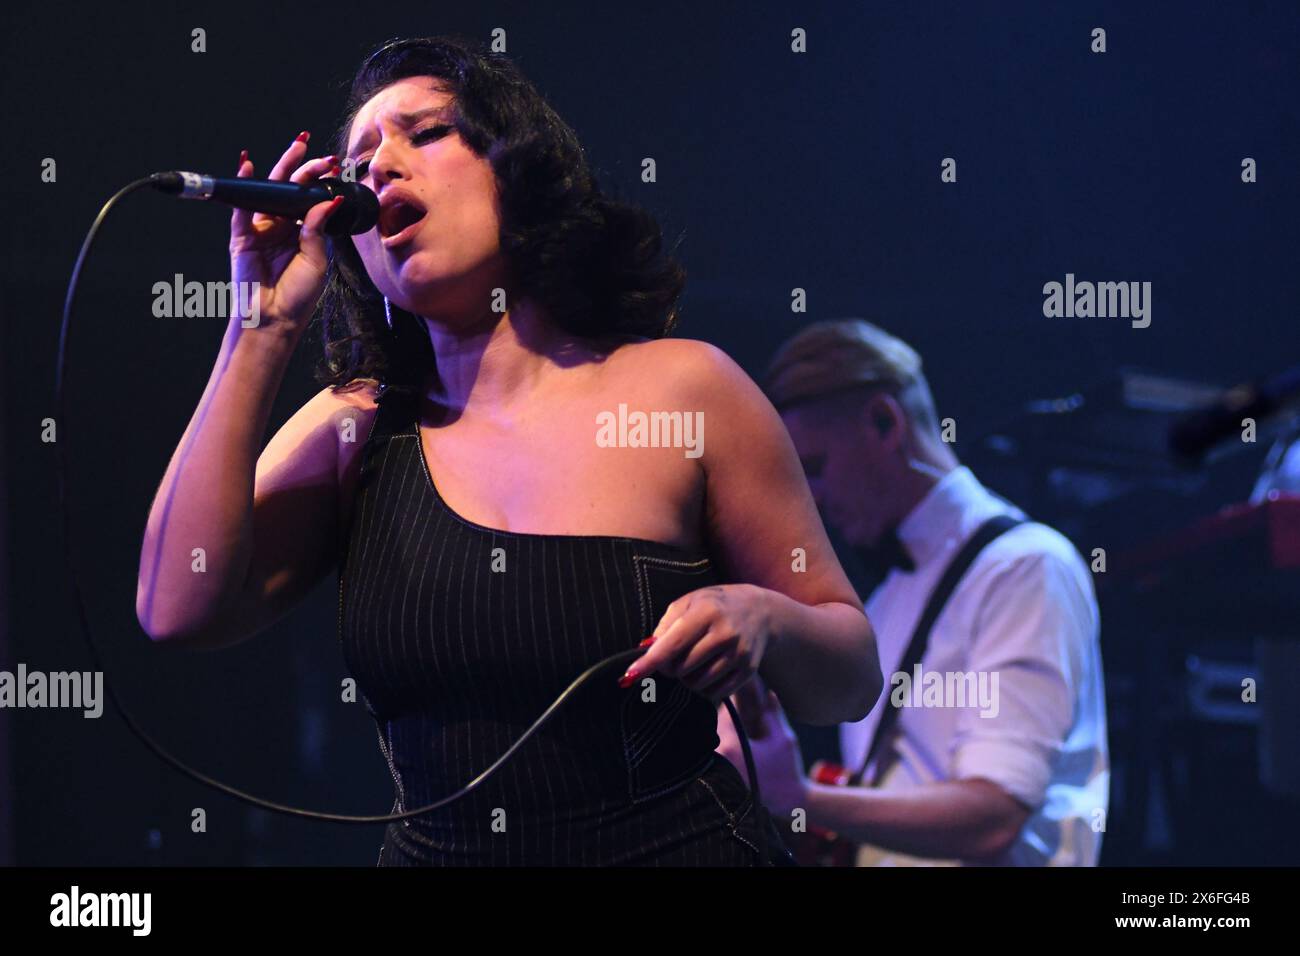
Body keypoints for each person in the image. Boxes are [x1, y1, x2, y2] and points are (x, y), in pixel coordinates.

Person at [134, 36, 882, 866]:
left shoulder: (685, 391)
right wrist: (260, 327)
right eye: (358, 158)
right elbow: (177, 608)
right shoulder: (357, 426)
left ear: (518, 168)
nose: (379, 167)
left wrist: (764, 618)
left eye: (424, 133)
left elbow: (848, 675)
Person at [717, 319, 1108, 865]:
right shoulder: (882, 600)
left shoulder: (1028, 567)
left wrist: (802, 797)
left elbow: (994, 816)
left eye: (816, 468)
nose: (813, 500)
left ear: (884, 422)